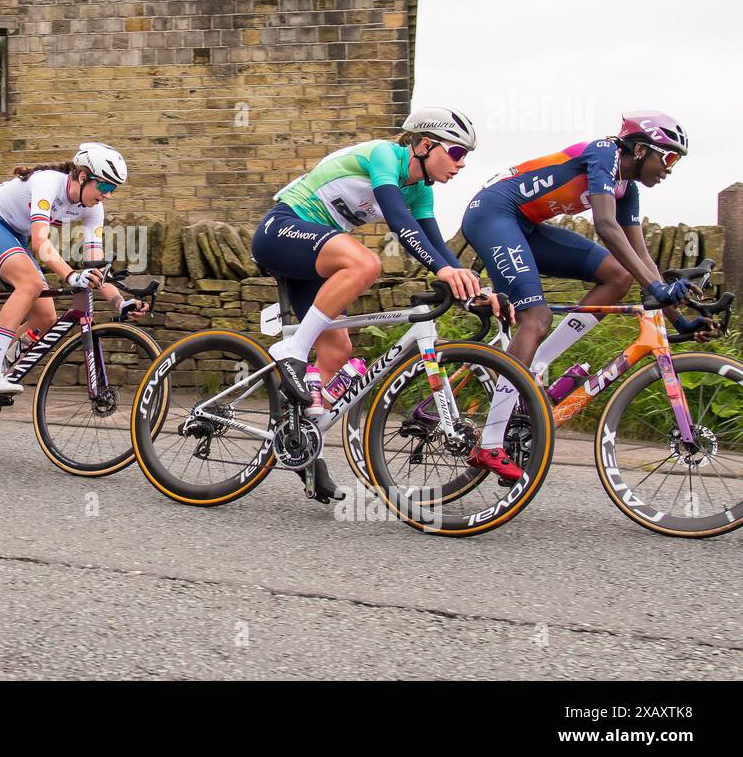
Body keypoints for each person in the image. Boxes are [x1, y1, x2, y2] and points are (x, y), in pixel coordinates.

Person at [251, 107, 491, 500]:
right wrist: (443, 271)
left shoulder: (421, 191)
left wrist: (471, 284)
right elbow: (398, 220)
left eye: (465, 157)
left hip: (314, 251)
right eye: (457, 153)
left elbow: (434, 243)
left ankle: (303, 448)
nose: (460, 164)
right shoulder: (384, 156)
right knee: (365, 263)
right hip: (282, 228)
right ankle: (290, 349)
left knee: (338, 349)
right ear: (425, 145)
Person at [461, 111, 693, 480]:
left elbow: (640, 259)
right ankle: (489, 443)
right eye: (667, 157)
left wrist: (679, 315)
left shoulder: (626, 188)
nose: (670, 168)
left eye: (676, 161)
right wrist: (657, 288)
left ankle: (535, 364)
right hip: (493, 214)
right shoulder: (604, 153)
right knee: (535, 319)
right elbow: (605, 226)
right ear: (638, 149)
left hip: (526, 226)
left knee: (617, 277)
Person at [0, 143, 147, 395]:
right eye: (104, 186)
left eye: (113, 189)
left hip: (14, 234)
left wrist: (118, 301)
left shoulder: (94, 208)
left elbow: (96, 264)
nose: (108, 194)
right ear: (83, 177)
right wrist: (71, 275)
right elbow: (40, 242)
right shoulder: (48, 182)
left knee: (46, 318)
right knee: (31, 284)